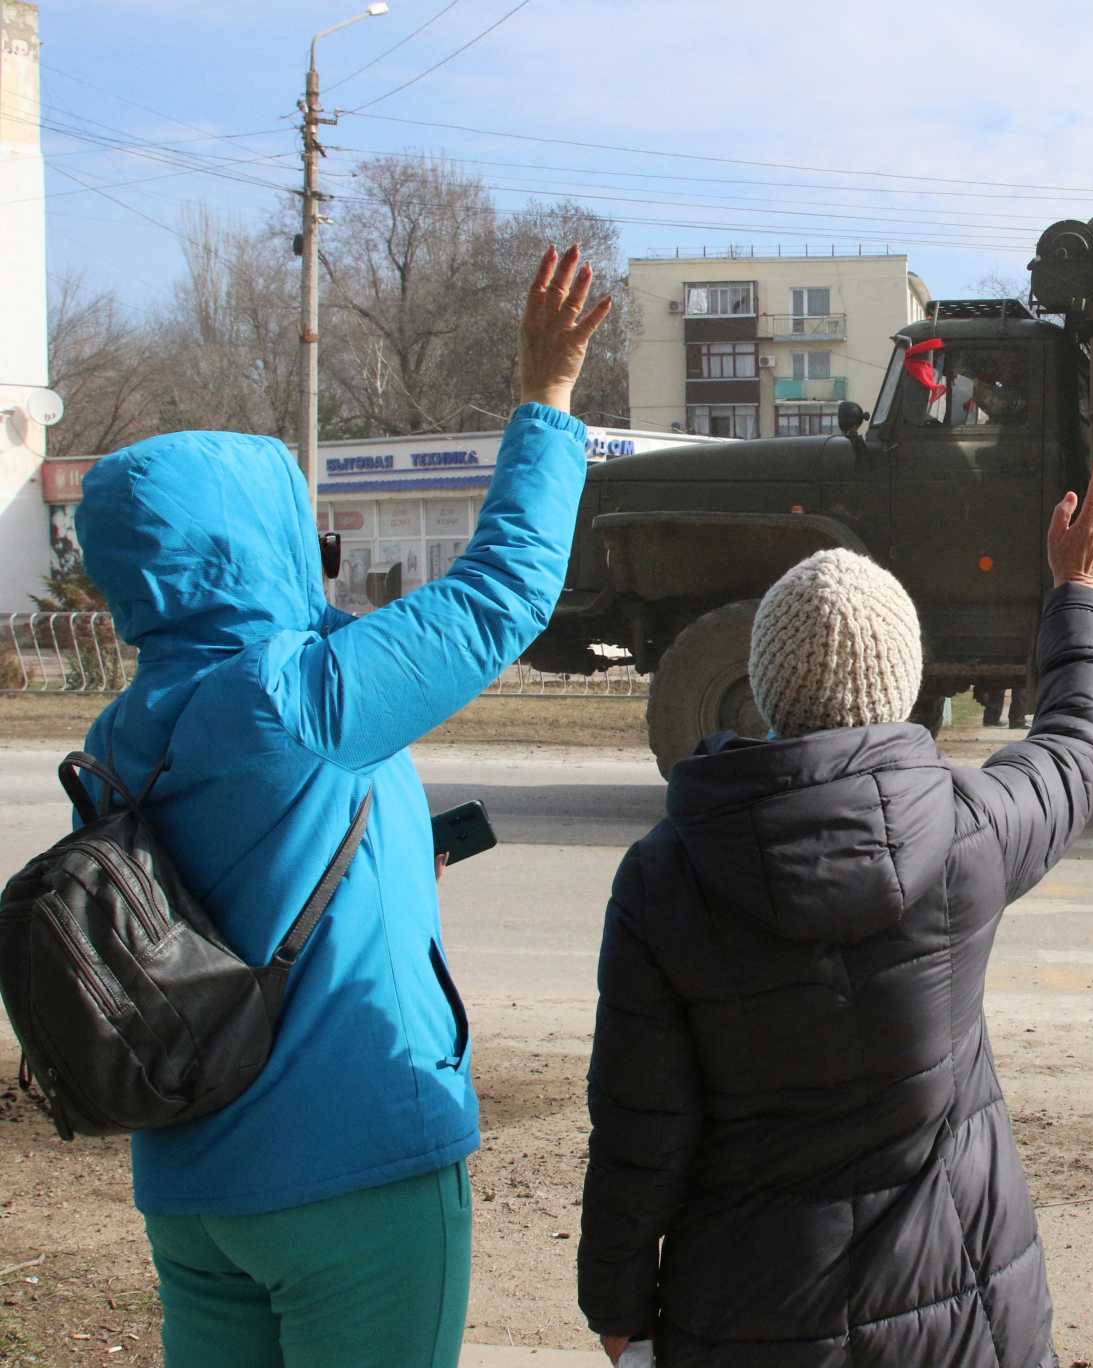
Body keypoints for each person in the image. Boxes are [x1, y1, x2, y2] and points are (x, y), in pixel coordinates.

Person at [73, 246, 611, 1368]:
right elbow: (500, 593)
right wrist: (548, 396)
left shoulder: (123, 732)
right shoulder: (289, 700)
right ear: (253, 540)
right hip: (347, 1172)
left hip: (190, 1188)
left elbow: (208, 904)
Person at [578, 462, 1093, 1367]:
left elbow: (638, 1127)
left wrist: (614, 1303)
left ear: (766, 683)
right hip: (960, 1318)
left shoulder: (663, 877)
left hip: (748, 1319)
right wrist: (1078, 587)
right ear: (903, 680)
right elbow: (1076, 742)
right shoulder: (970, 833)